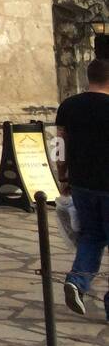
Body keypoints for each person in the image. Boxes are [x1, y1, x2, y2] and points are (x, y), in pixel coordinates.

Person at [56, 57, 109, 320]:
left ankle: (77, 281)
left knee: (91, 236)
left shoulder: (69, 106)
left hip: (82, 184)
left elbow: (61, 143)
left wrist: (62, 175)